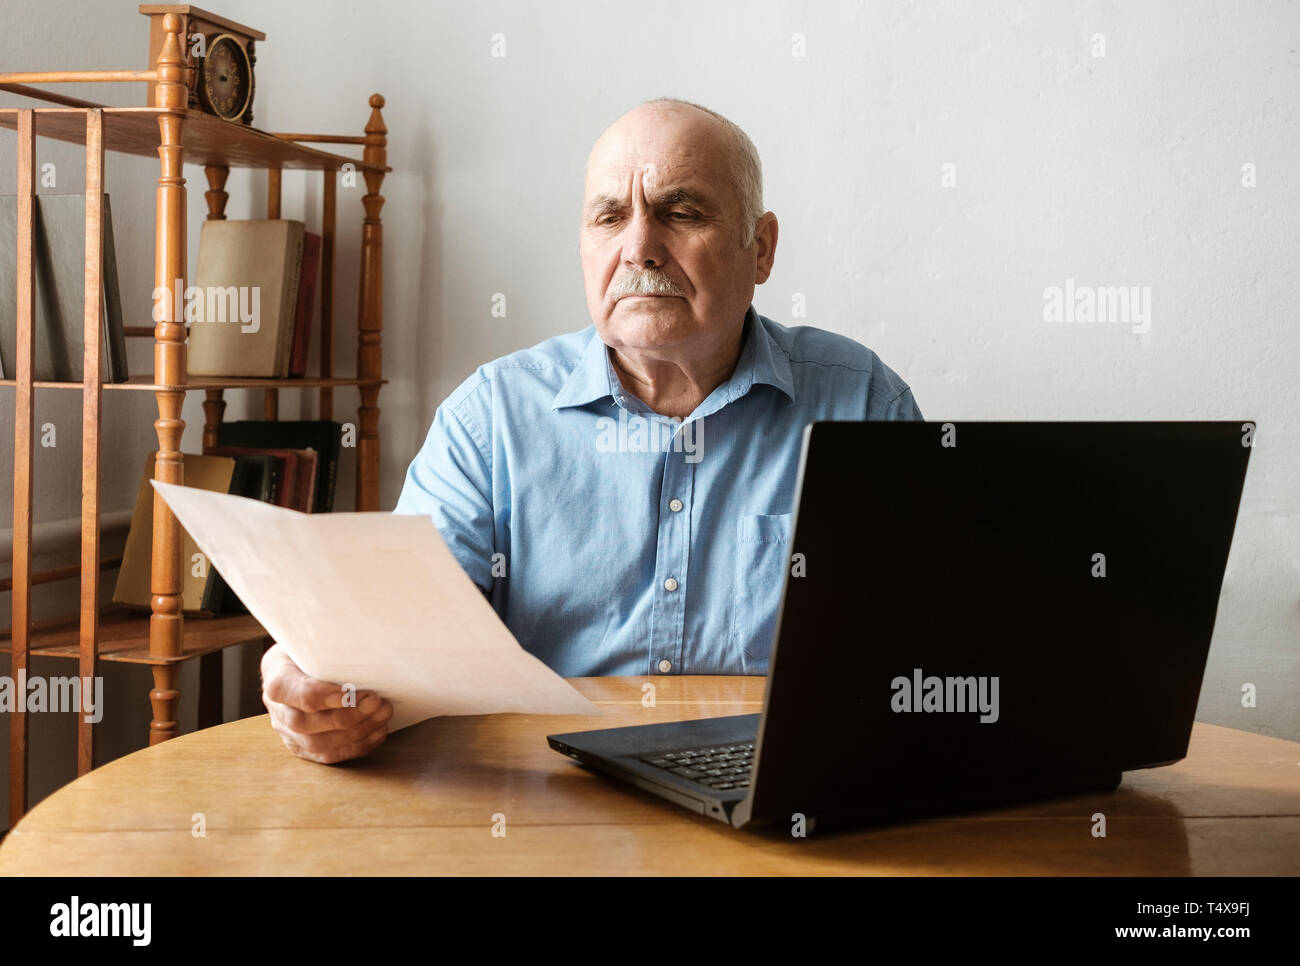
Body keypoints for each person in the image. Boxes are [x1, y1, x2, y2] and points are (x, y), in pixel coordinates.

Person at [261, 97, 923, 763]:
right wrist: (314, 674)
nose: (640, 247)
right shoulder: (491, 418)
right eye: (610, 217)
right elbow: (394, 628)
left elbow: (927, 647)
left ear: (763, 248)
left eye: (682, 212)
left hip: (788, 787)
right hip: (546, 796)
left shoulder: (862, 402)